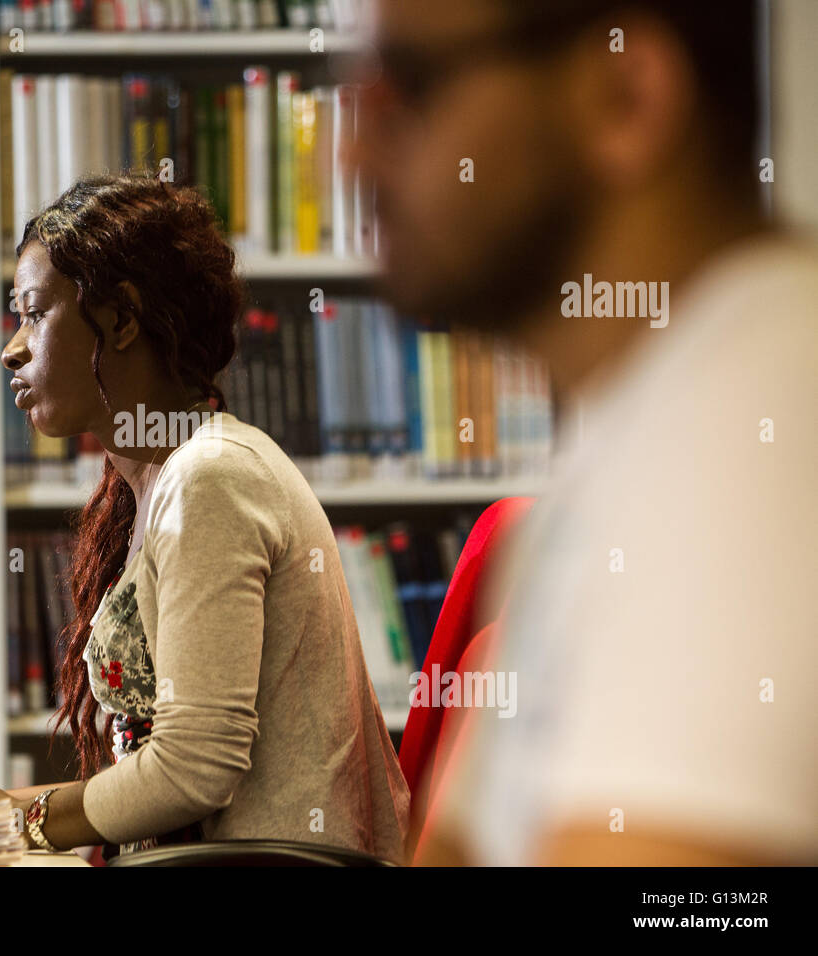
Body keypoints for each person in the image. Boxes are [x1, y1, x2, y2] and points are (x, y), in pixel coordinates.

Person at [345, 0, 817, 864]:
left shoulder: (754, 418)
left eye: (410, 87)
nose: (350, 152)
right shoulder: (637, 418)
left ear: (625, 96)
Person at [0, 173, 410, 864]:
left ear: (121, 319)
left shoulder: (212, 479)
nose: (11, 349)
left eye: (33, 314)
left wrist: (10, 824)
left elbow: (194, 768)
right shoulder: (164, 479)